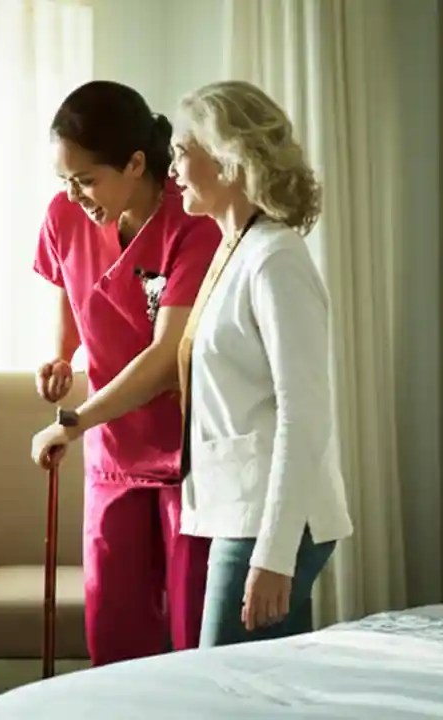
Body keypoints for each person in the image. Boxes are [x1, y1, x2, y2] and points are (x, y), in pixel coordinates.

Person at [27, 80, 222, 665]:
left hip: (188, 452)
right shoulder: (64, 212)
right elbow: (68, 280)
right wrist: (62, 354)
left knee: (192, 634)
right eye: (65, 180)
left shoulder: (193, 222)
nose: (75, 195)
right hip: (113, 449)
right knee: (114, 632)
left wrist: (73, 420)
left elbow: (166, 357)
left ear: (136, 163)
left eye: (87, 179)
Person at [168, 80, 354, 647]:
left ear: (227, 161)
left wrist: (274, 553)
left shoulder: (275, 260)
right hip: (243, 511)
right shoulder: (235, 251)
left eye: (182, 150)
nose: (172, 166)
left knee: (219, 686)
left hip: (272, 520)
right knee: (268, 694)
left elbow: (306, 413)